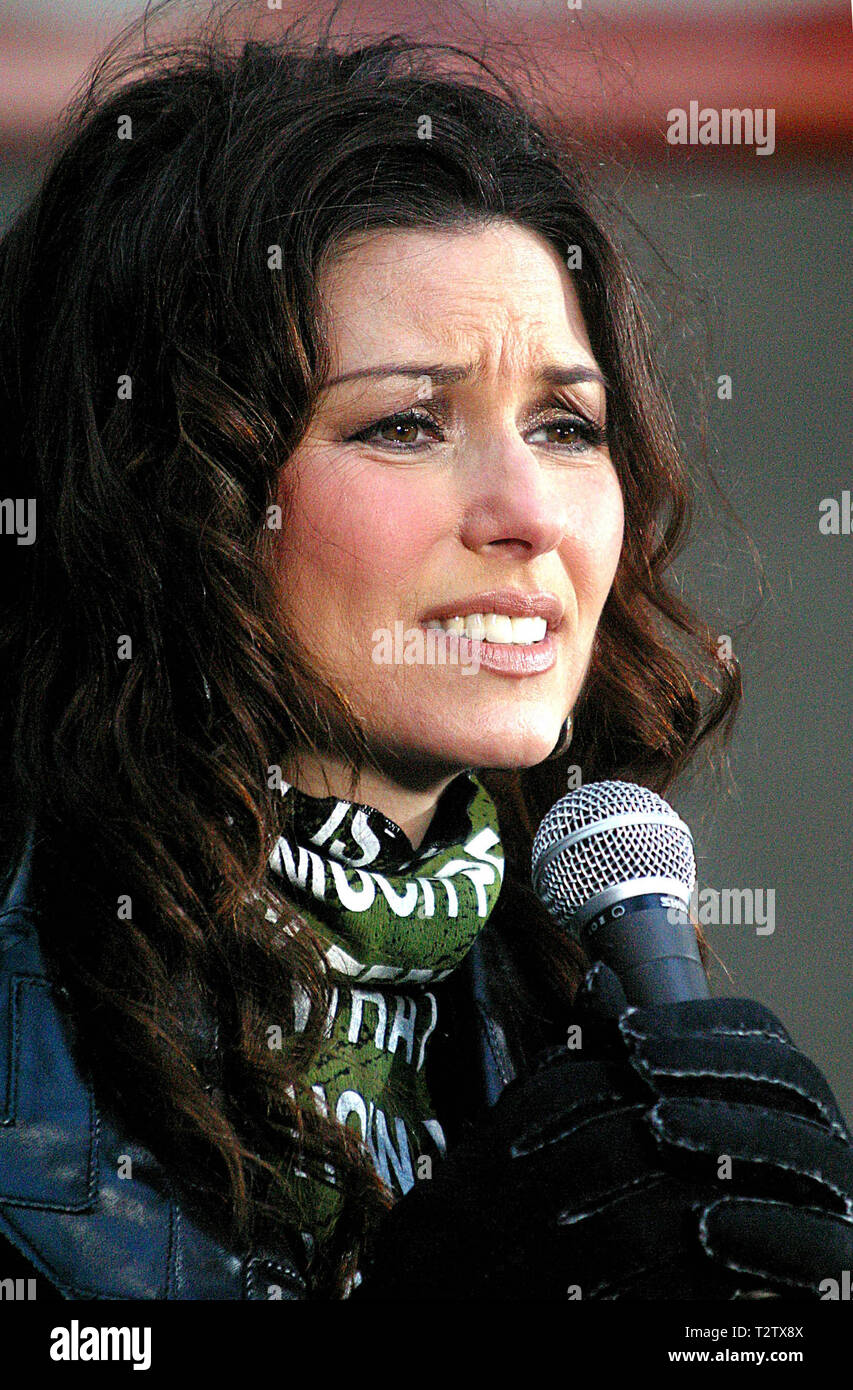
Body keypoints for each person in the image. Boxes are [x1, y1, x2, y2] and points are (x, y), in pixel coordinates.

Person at [0, 12, 850, 1301]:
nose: (527, 515)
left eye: (567, 426)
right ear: (172, 490)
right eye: (406, 422)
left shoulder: (583, 980)